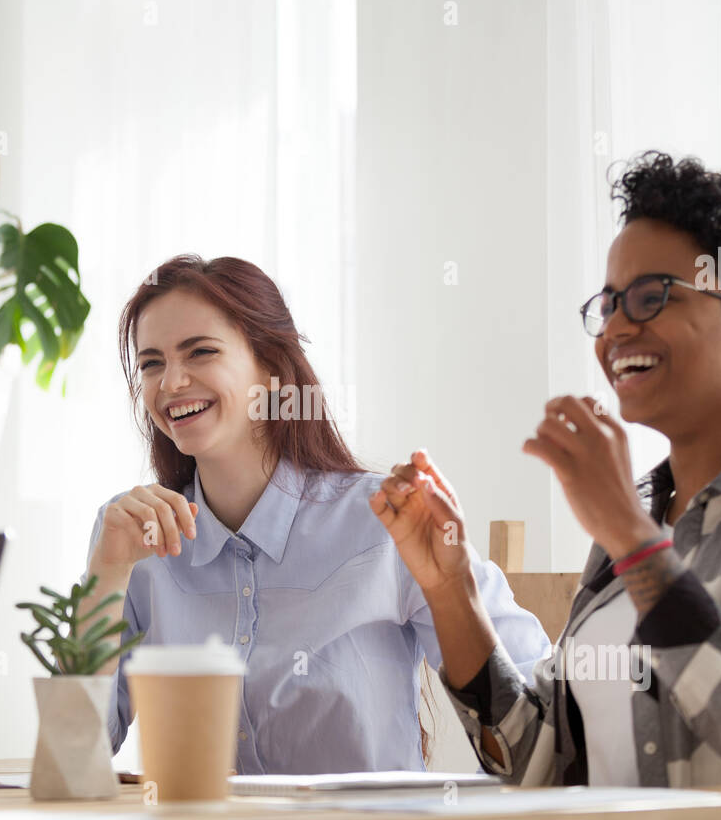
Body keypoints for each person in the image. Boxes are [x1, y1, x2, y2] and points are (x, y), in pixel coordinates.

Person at [371, 152, 721, 820]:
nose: (616, 329)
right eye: (609, 303)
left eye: (653, 296)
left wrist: (634, 540)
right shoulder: (635, 517)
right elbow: (540, 764)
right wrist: (449, 588)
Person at [80, 254, 550, 774]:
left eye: (201, 352)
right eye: (151, 363)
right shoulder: (133, 540)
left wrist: (453, 586)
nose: (170, 383)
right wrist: (107, 575)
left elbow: (536, 722)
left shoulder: (386, 521)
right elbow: (74, 757)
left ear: (274, 371)